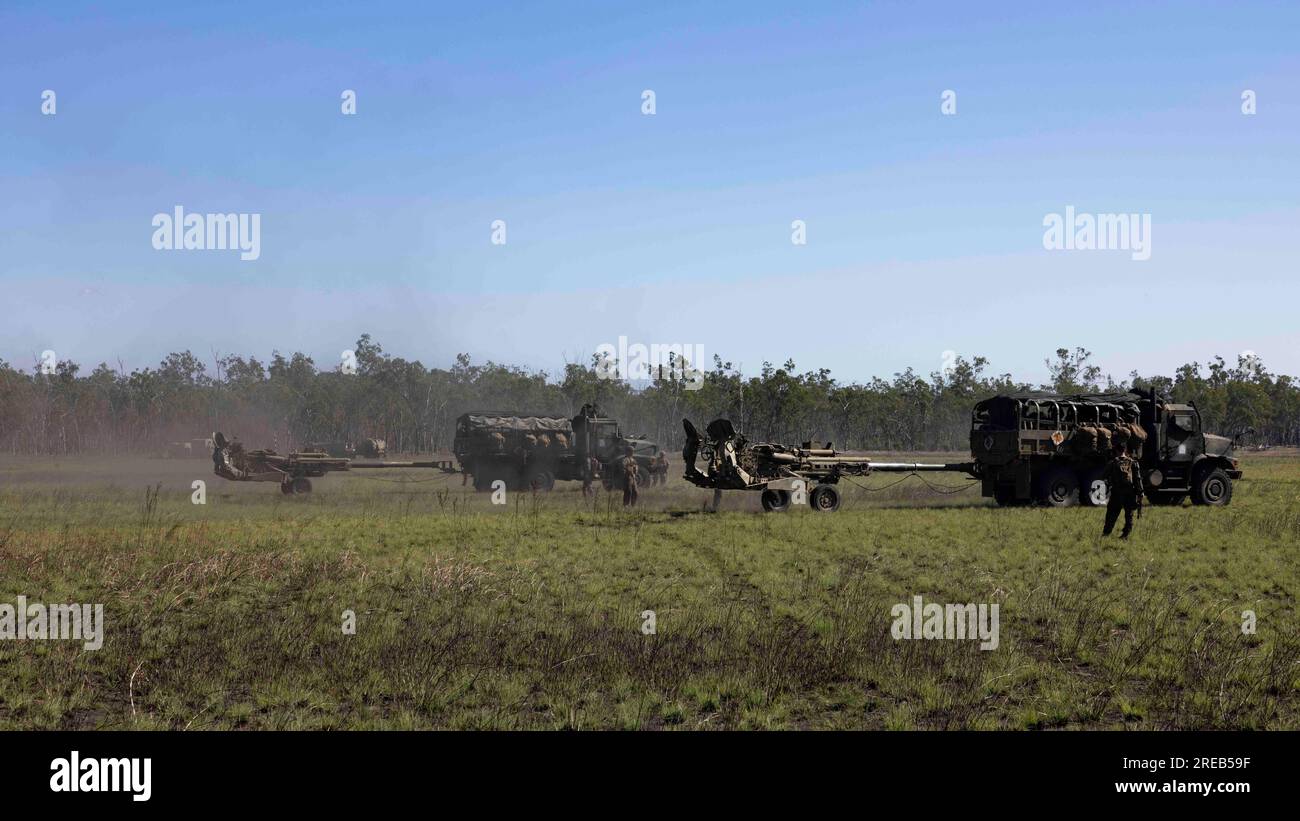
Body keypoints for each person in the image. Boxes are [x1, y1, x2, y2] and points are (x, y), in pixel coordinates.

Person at [1102, 440, 1143, 539]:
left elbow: (1104, 477)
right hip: (1130, 493)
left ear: (1116, 450)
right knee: (1129, 515)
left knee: (1112, 514)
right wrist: (1140, 493)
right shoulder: (1133, 463)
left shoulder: (1112, 463)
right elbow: (1138, 479)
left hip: (1117, 492)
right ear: (1125, 450)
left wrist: (1110, 484)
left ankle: (1106, 534)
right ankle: (1125, 535)